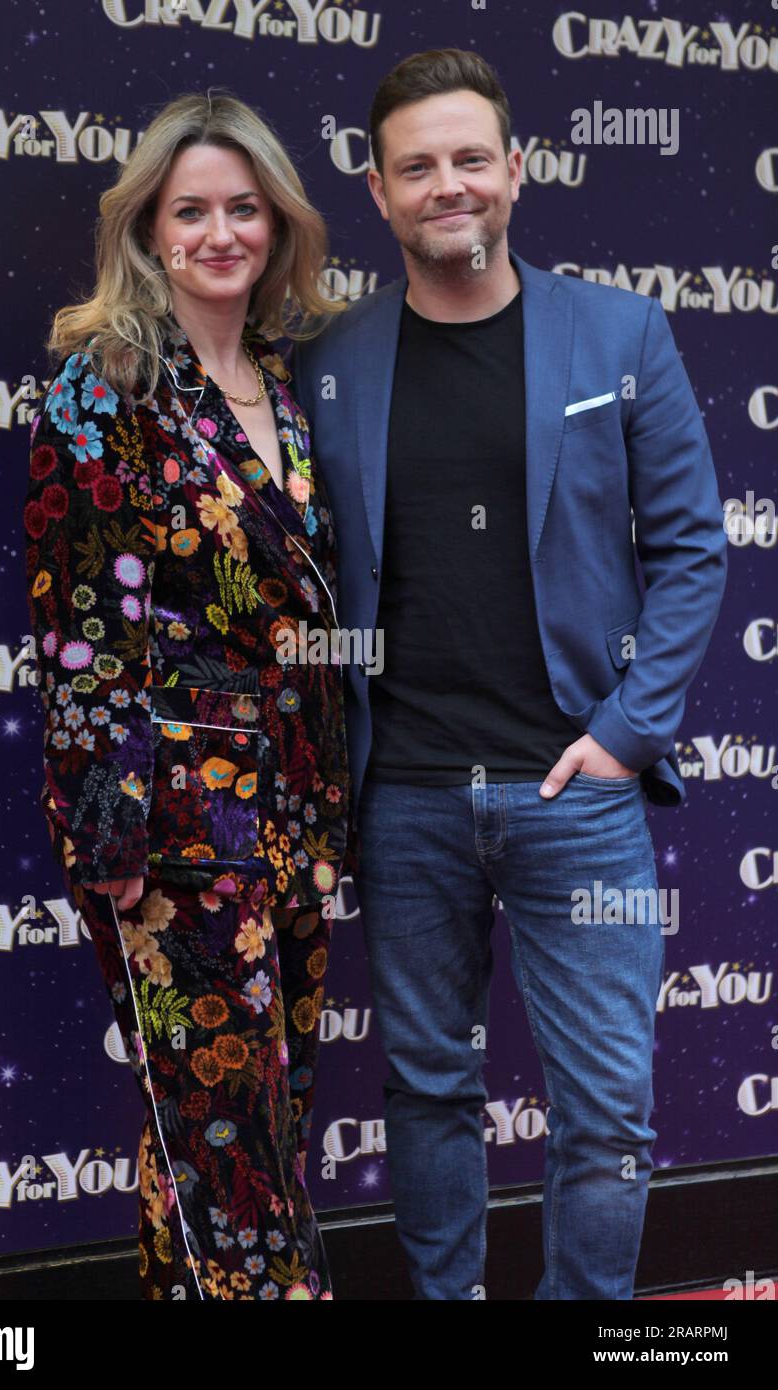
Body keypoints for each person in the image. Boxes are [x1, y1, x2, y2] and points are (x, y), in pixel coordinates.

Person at [290, 48, 728, 1299]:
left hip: (575, 793)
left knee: (605, 1114)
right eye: (416, 166)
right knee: (428, 1096)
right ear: (377, 192)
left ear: (516, 173)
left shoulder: (619, 329)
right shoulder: (329, 360)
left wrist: (627, 735)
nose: (448, 185)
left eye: (469, 158)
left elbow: (692, 550)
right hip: (407, 798)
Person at [23, 90, 350, 1301]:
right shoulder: (104, 386)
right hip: (167, 818)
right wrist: (107, 829)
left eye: (244, 208)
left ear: (278, 224)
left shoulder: (283, 378)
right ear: (148, 228)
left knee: (248, 1116)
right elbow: (79, 631)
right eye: (191, 210)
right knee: (222, 1127)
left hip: (295, 805)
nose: (220, 232)